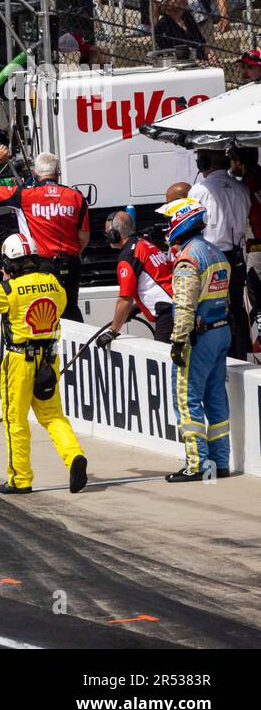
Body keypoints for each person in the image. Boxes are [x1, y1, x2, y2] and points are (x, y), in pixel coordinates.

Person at [0, 234, 88, 495]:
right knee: (53, 416)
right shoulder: (53, 283)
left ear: (10, 264)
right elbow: (61, 305)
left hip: (19, 361)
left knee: (16, 420)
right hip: (49, 359)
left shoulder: (9, 290)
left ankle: (19, 479)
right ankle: (74, 456)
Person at [156, 198, 232, 481]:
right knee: (216, 399)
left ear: (180, 221)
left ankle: (197, 465)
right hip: (221, 331)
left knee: (187, 399)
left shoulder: (188, 258)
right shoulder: (217, 252)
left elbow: (185, 305)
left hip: (197, 338)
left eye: (169, 221)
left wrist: (178, 342)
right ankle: (220, 463)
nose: (167, 228)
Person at [0, 148, 90, 321]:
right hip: (71, 264)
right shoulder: (76, 196)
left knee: (41, 313)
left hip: (41, 266)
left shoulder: (25, 195)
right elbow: (83, 237)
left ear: (34, 173)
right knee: (70, 310)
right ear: (58, 173)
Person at [189, 148, 250, 357]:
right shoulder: (242, 189)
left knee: (211, 309)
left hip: (212, 258)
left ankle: (217, 355)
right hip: (237, 257)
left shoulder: (199, 190)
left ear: (205, 163)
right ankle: (240, 354)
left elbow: (191, 226)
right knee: (236, 307)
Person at [96, 210, 175, 347]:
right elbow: (154, 280)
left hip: (168, 313)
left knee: (163, 362)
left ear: (115, 234)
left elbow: (125, 299)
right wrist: (137, 307)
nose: (106, 236)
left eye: (107, 232)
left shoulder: (128, 256)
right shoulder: (145, 244)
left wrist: (113, 331)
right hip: (179, 306)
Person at [229, 146, 261, 350]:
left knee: (257, 295)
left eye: (232, 161)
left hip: (257, 247)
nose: (231, 166)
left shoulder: (245, 186)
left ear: (241, 162)